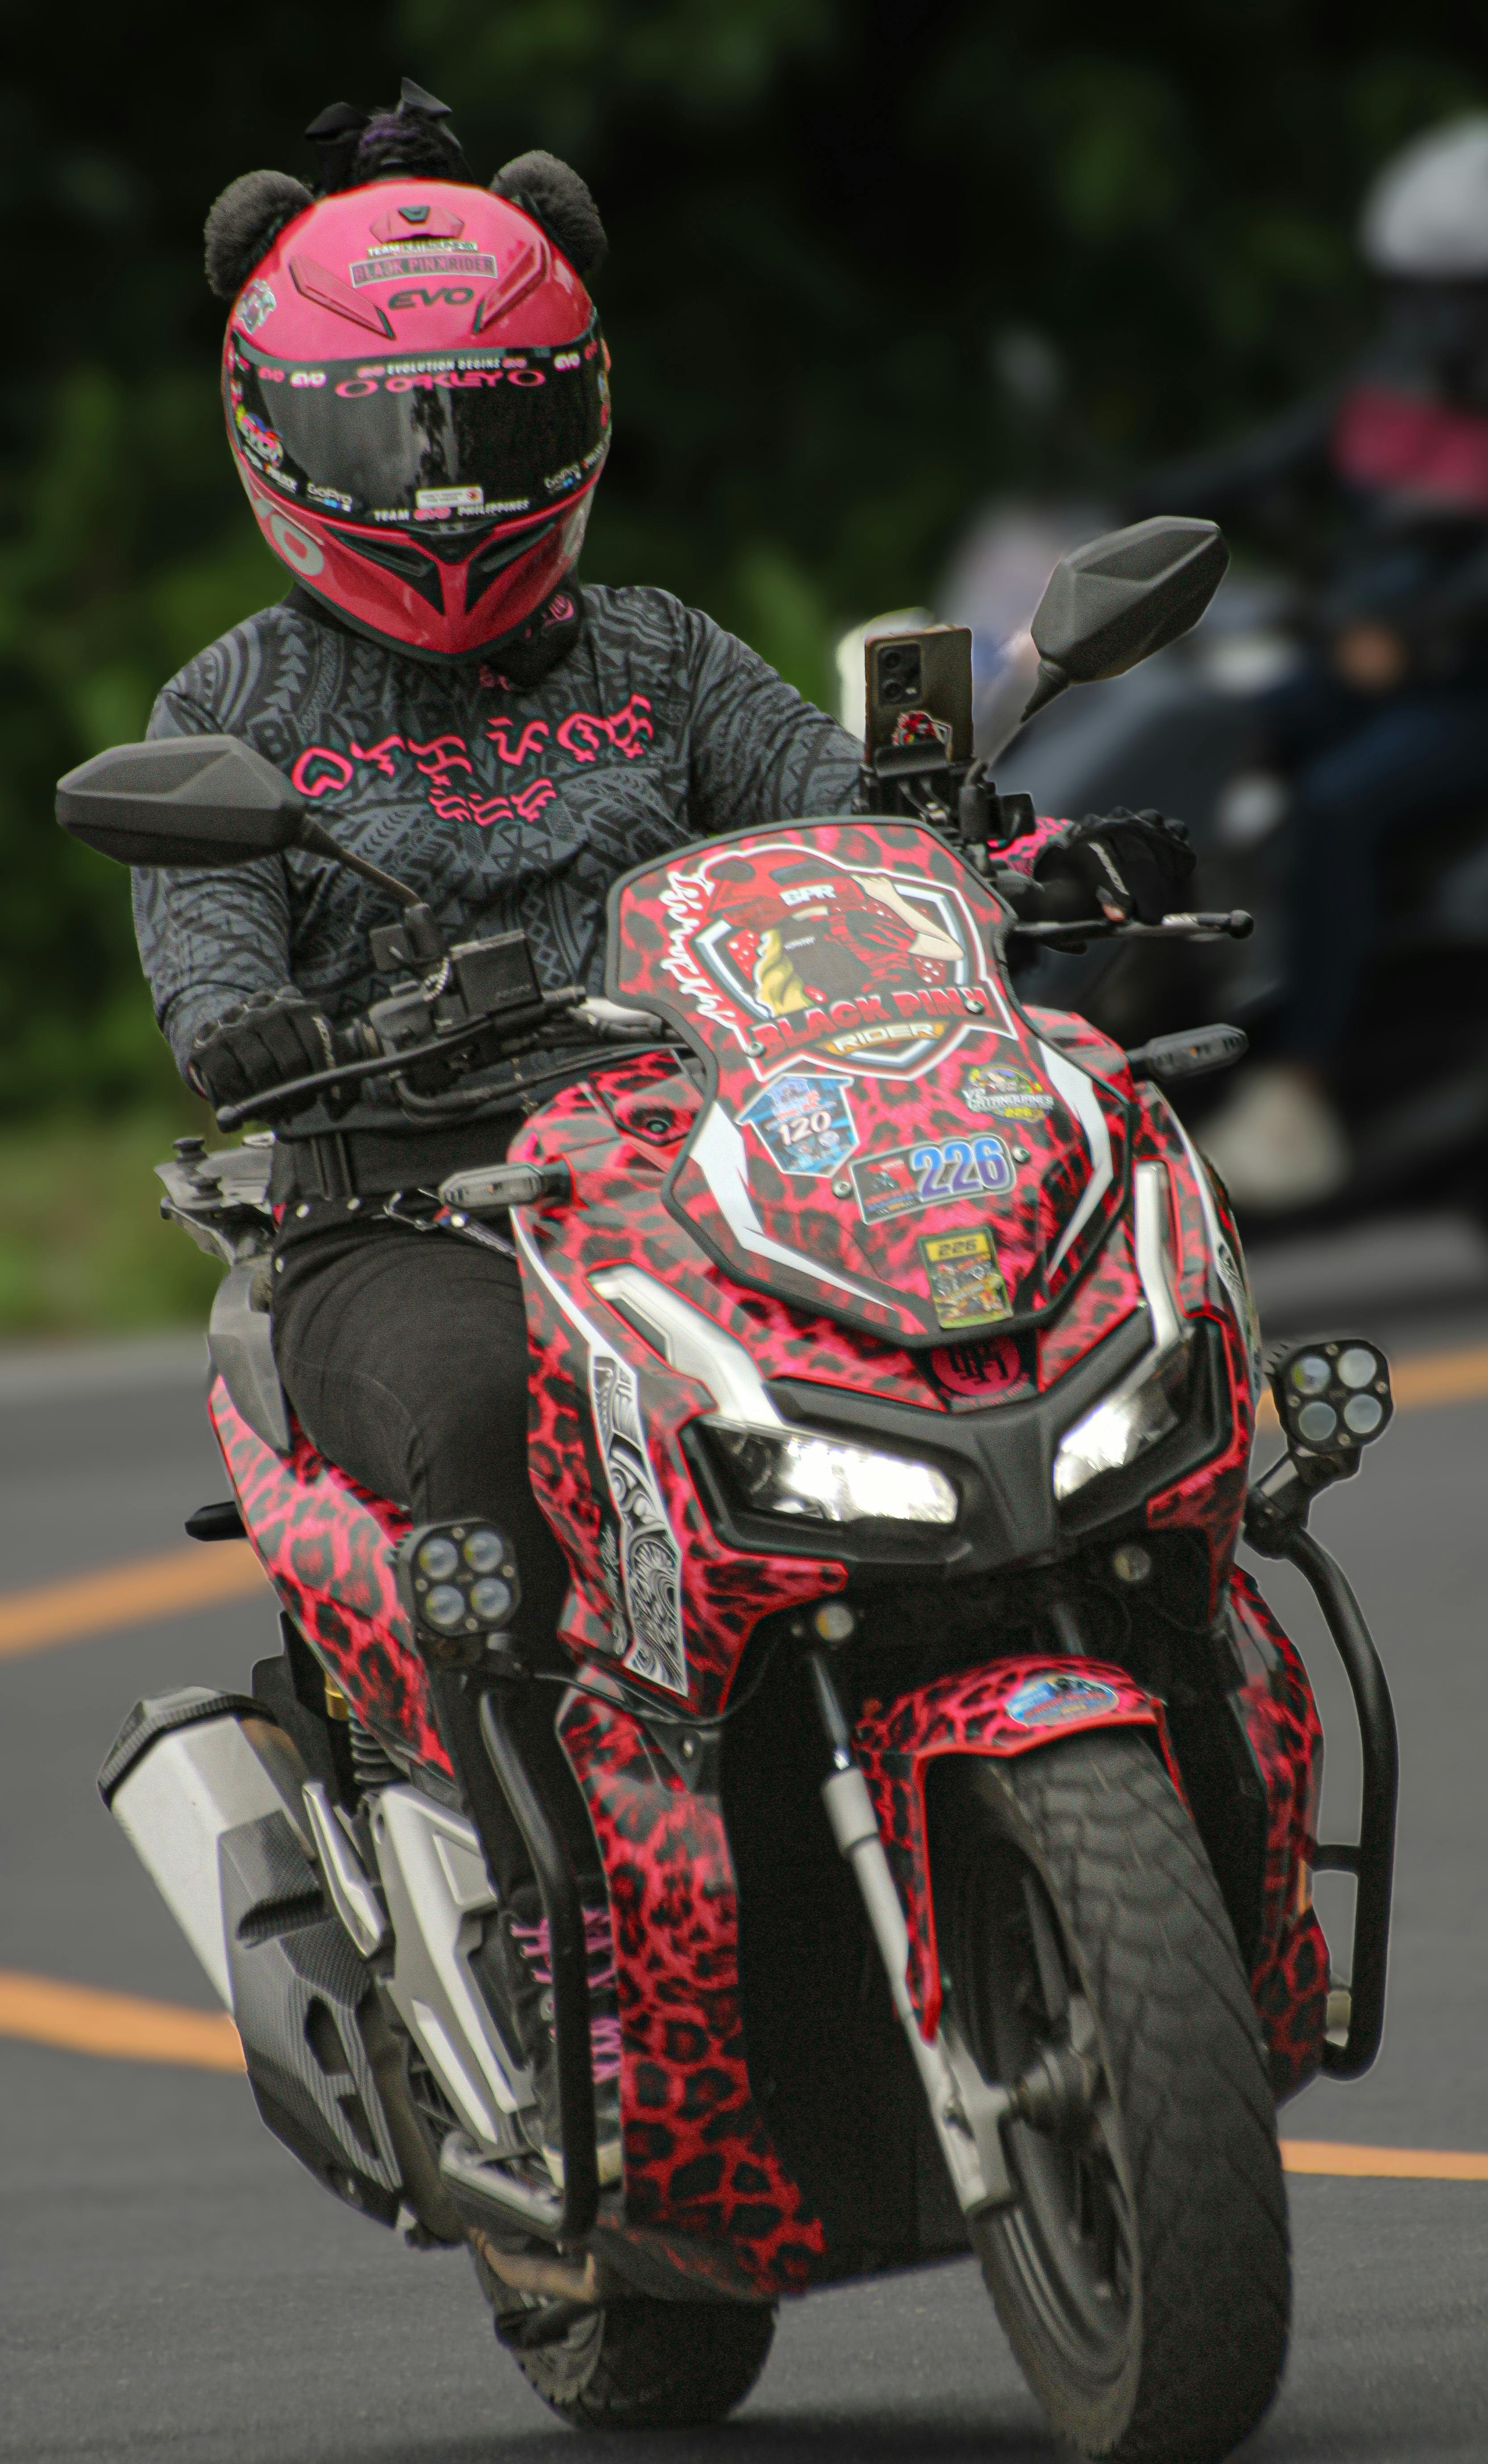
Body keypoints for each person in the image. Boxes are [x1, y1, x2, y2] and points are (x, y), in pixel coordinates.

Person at [133, 79, 1192, 2179]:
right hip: (408, 1213)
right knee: (491, 1444)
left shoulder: (662, 655)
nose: (446, 487)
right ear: (279, 440)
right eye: (391, 440)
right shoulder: (225, 715)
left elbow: (846, 830)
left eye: (495, 422)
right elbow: (208, 987)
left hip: (706, 1175)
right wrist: (271, 1032)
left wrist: (1008, 857)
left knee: (1028, 1311)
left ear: (581, 413)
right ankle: (558, 1966)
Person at [1142, 116, 1488, 1210]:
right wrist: (1125, 514)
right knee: (1203, 737)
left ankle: (1300, 1095)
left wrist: (1425, 633)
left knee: (1338, 806)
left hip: (1467, 689)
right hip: (1363, 666)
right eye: (1416, 293)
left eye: (1458, 296)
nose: (1432, 319)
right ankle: (1168, 1006)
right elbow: (1257, 469)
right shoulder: (1392, 391)